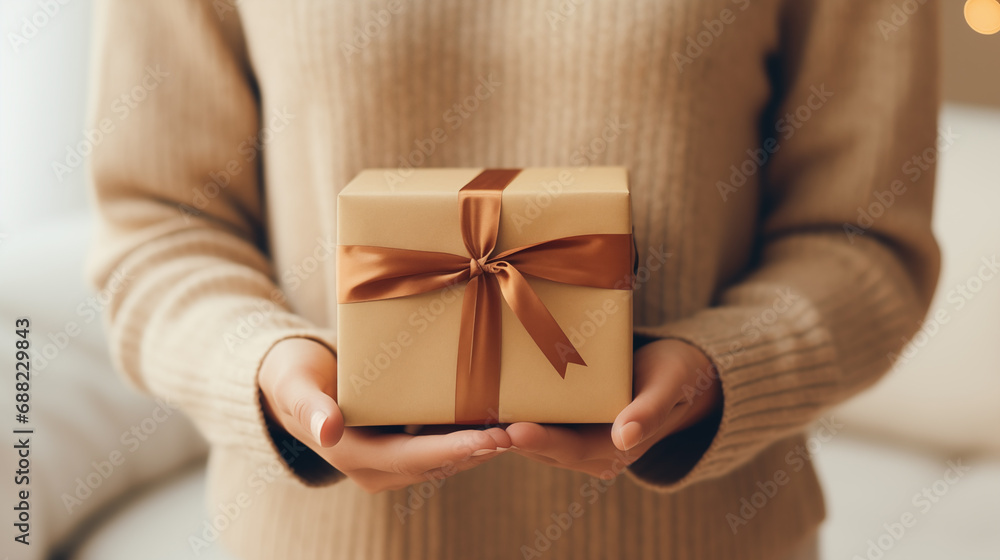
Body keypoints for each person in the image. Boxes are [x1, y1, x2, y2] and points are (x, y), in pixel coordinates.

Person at [86, 0, 940, 559]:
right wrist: (269, 371)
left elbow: (865, 238)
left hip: (706, 535)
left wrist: (722, 370)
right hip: (322, 539)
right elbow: (157, 222)